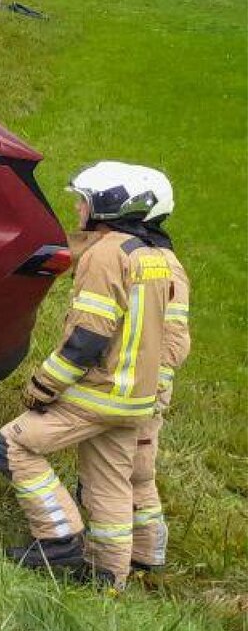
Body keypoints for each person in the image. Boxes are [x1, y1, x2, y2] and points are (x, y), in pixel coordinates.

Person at [0, 162, 178, 586]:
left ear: (108, 205)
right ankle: (108, 578)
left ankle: (58, 539)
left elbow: (89, 335)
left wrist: (44, 384)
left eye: (84, 200)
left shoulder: (106, 254)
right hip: (134, 401)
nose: (77, 207)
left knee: (13, 447)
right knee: (110, 483)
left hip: (97, 394)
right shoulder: (151, 257)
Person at [121, 167, 189, 576]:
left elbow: (174, 338)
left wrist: (153, 385)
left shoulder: (164, 266)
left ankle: (145, 549)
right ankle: (141, 547)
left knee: (137, 466)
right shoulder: (149, 255)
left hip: (146, 387)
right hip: (139, 382)